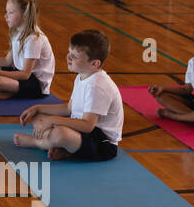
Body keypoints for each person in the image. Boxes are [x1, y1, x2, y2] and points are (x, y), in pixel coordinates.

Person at [14, 30, 122, 161]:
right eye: (69, 52)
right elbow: (69, 109)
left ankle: (38, 143)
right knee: (38, 118)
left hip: (102, 144)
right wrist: (38, 108)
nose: (68, 57)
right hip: (83, 133)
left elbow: (88, 126)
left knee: (59, 134)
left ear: (94, 64)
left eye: (75, 56)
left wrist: (52, 120)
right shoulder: (82, 75)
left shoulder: (97, 86)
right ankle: (66, 150)